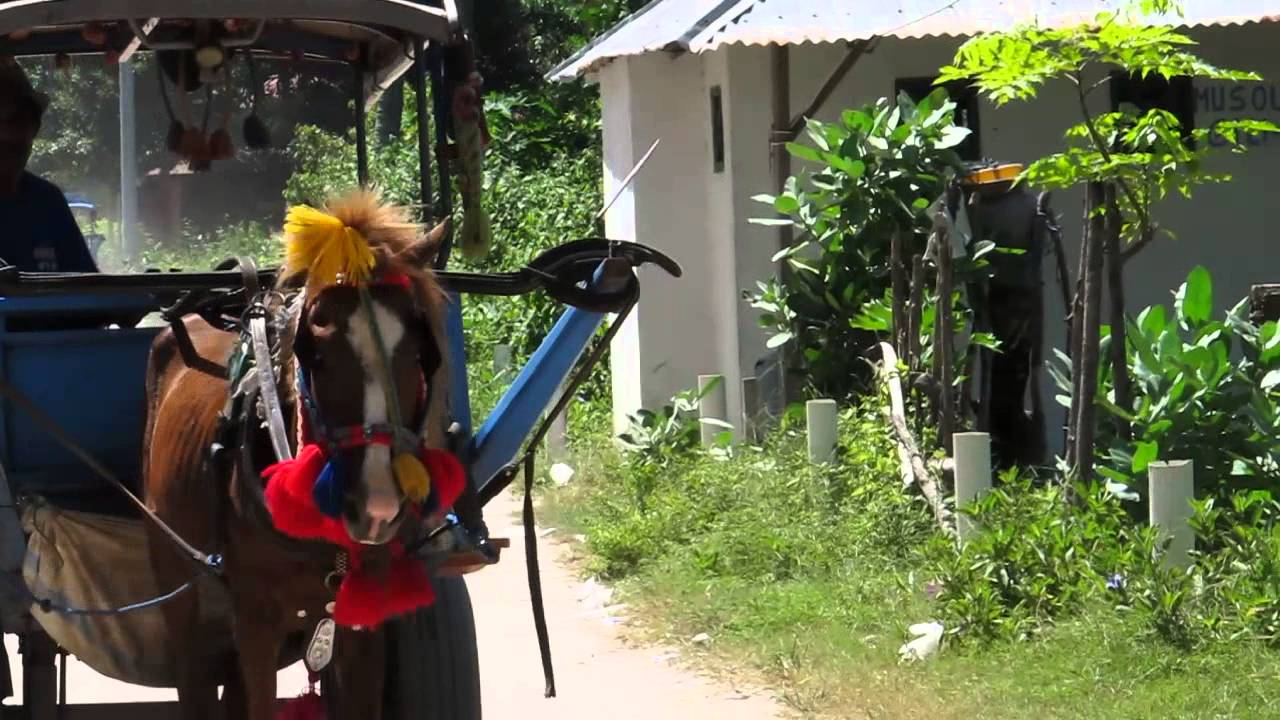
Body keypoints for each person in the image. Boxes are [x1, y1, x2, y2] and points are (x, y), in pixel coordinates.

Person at [0, 58, 98, 273]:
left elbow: (89, 287)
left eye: (15, 121)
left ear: (34, 127)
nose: (5, 134)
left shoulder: (47, 201)